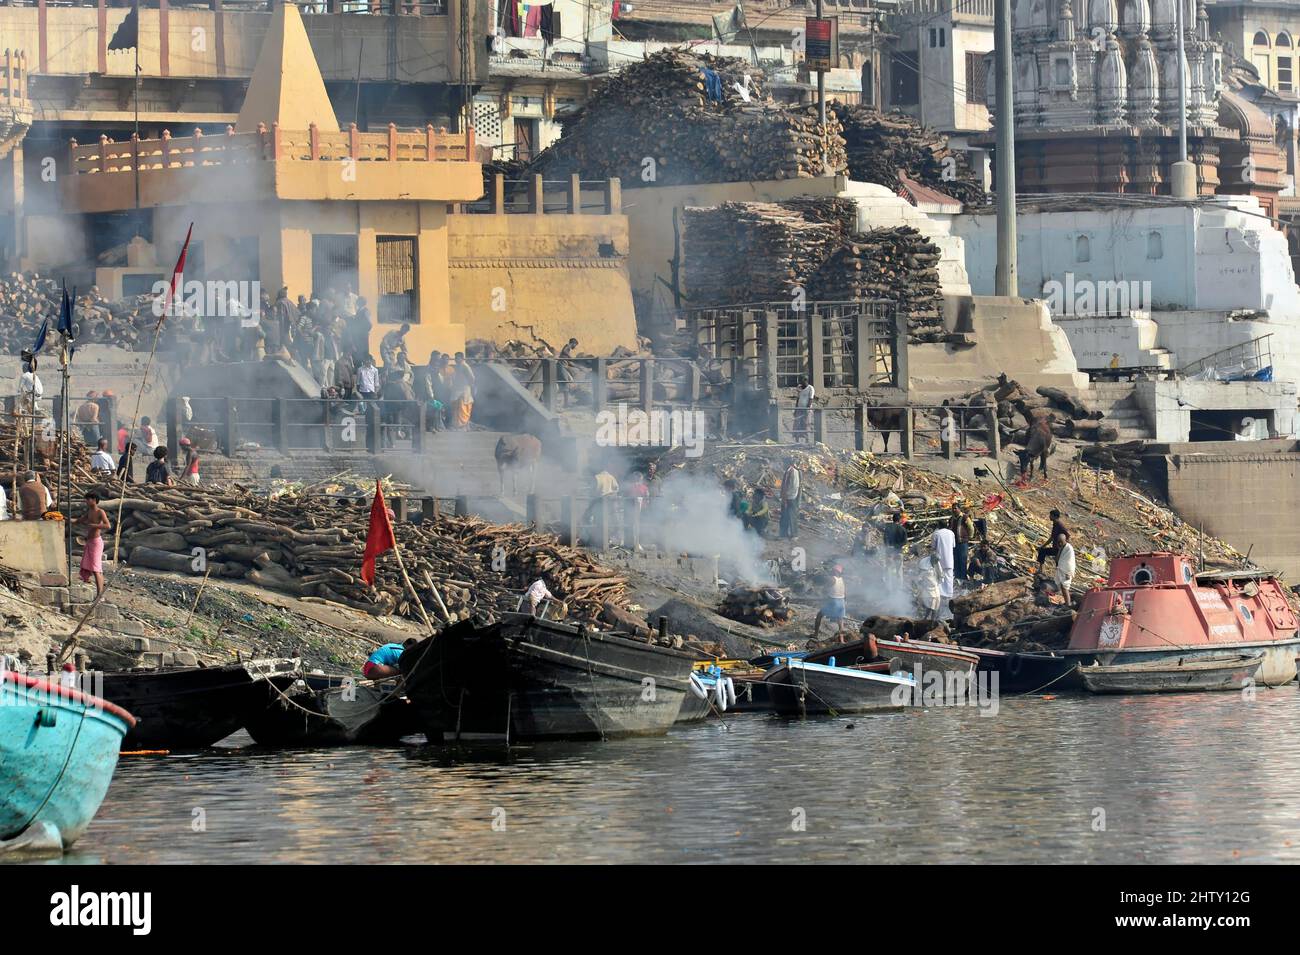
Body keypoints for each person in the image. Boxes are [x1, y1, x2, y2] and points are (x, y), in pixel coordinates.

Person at [77, 490, 111, 595]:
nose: (86, 502)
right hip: (90, 542)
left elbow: (107, 526)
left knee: (96, 569)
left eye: (88, 499)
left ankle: (100, 594)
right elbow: (78, 521)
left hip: (96, 542)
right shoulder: (89, 512)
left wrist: (94, 526)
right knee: (89, 566)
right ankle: (97, 592)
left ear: (94, 500)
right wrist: (64, 518)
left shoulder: (100, 512)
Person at [812, 565, 847, 640]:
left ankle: (815, 635)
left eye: (833, 570)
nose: (831, 571)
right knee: (840, 621)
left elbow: (825, 589)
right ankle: (842, 640)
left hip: (833, 601)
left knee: (819, 615)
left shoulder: (832, 579)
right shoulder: (842, 579)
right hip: (841, 602)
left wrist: (823, 591)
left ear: (835, 571)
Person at [622, 470, 648, 550]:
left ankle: (629, 543)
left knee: (630, 526)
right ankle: (637, 543)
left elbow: (624, 497)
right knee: (638, 526)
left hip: (629, 510)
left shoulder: (629, 487)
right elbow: (647, 498)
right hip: (640, 510)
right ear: (640, 478)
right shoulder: (644, 487)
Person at [450, 353, 476, 429]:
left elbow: (472, 378)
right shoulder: (458, 366)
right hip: (457, 389)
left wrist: (469, 386)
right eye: (455, 357)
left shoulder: (465, 366)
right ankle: (457, 425)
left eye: (457, 358)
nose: (455, 359)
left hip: (464, 390)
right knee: (456, 407)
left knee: (463, 407)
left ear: (462, 358)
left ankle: (462, 425)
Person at [931, 523, 956, 601]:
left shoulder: (936, 534)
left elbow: (933, 547)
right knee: (949, 576)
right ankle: (949, 594)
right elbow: (953, 545)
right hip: (949, 559)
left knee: (939, 576)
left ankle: (941, 594)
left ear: (938, 526)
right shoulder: (951, 533)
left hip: (940, 559)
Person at [950, 505, 974, 581]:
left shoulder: (965, 517)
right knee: (956, 559)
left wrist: (970, 536)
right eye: (953, 508)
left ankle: (963, 577)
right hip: (954, 543)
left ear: (959, 509)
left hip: (963, 542)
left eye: (955, 508)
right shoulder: (952, 519)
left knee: (963, 559)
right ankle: (957, 576)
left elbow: (971, 527)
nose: (954, 510)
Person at [779, 456, 801, 539]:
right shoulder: (787, 471)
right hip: (786, 497)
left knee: (792, 516)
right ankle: (783, 534)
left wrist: (787, 497)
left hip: (791, 498)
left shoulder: (794, 472)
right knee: (784, 516)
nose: (782, 464)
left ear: (788, 463)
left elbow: (794, 486)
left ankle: (794, 535)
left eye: (784, 462)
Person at [1054, 533, 1076, 606]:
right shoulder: (1062, 547)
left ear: (1065, 540)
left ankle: (1068, 604)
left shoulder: (1069, 548)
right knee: (1062, 588)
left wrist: (1069, 573)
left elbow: (1070, 562)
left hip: (1066, 572)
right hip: (1061, 570)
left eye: (1061, 542)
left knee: (1065, 588)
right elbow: (1057, 559)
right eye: (1059, 542)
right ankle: (1067, 603)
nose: (1060, 543)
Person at [882, 511, 907, 577]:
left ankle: (888, 587)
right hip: (898, 552)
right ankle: (899, 587)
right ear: (899, 520)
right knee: (899, 571)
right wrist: (896, 546)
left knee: (888, 570)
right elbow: (904, 542)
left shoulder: (888, 528)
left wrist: (888, 546)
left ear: (893, 519)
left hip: (889, 552)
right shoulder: (903, 529)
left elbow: (885, 539)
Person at [794, 377, 814, 443]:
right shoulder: (799, 387)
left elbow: (811, 399)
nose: (800, 382)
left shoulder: (810, 388)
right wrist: (795, 409)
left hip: (806, 409)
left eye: (801, 381)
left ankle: (807, 440)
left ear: (805, 381)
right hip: (799, 409)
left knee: (806, 424)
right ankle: (797, 440)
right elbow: (798, 399)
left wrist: (807, 409)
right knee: (797, 424)